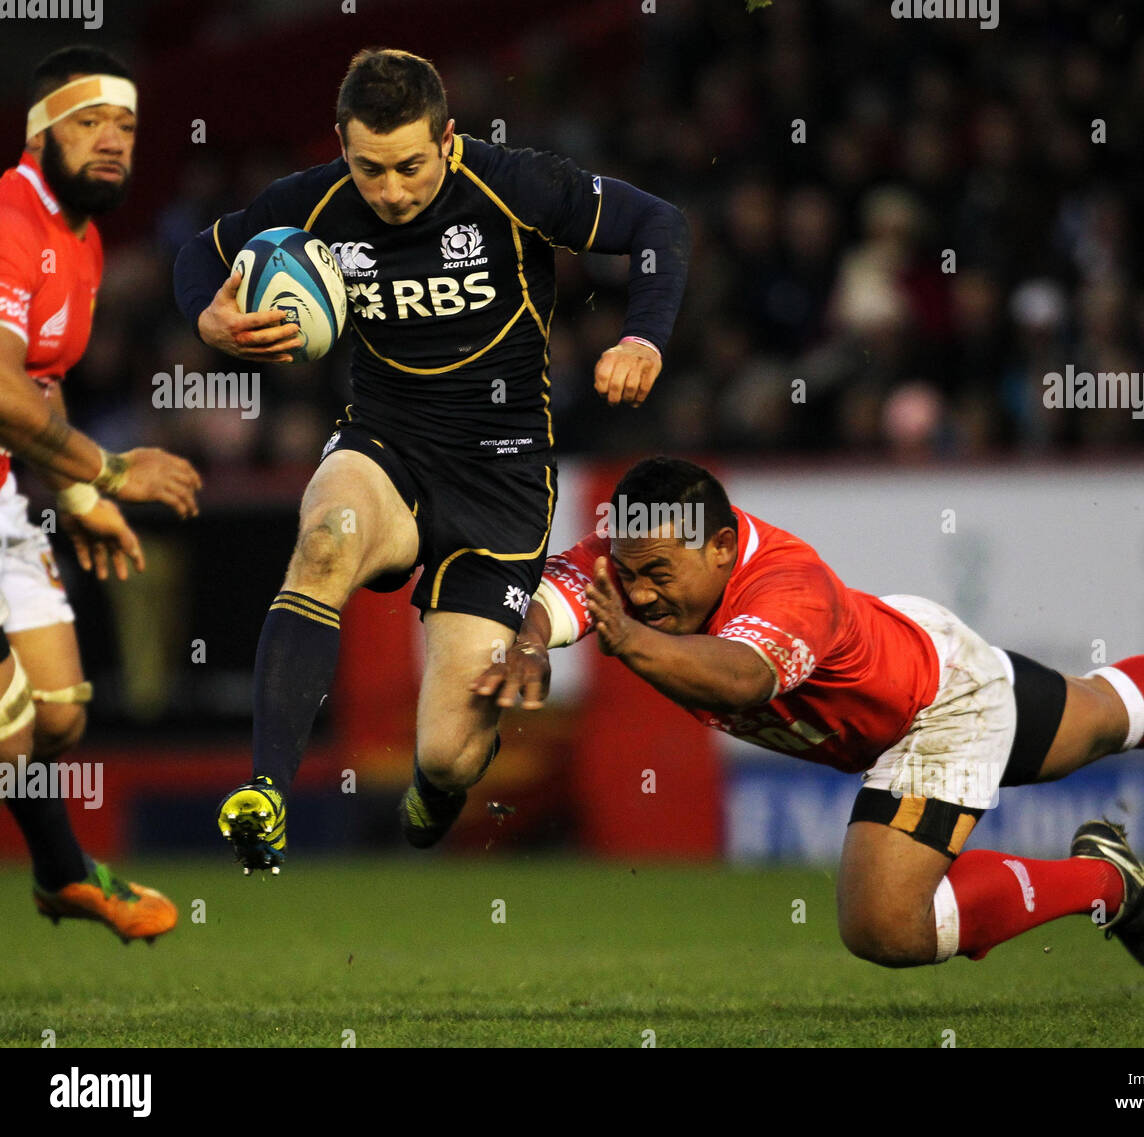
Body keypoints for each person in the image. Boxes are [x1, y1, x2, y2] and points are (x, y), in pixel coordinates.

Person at [172, 48, 689, 873]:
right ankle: (265, 791)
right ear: (343, 149)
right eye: (369, 168)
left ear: (448, 139)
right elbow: (201, 253)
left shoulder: (514, 183)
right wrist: (207, 320)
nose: (392, 190)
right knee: (327, 538)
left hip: (504, 473)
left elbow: (658, 224)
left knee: (450, 750)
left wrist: (643, 336)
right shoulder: (315, 202)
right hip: (387, 441)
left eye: (410, 165)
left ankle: (439, 790)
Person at [474, 456, 1144, 970]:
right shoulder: (639, 554)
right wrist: (535, 639)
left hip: (933, 715)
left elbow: (740, 679)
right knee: (1092, 720)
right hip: (907, 647)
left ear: (722, 547)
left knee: (886, 925)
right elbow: (559, 587)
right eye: (629, 572)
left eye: (659, 574)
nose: (642, 593)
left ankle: (1104, 881)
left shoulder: (786, 589)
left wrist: (626, 640)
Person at [0, 46, 203, 942]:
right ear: (41, 131)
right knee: (8, 727)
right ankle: (68, 871)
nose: (113, 141)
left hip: (5, 486)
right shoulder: (8, 217)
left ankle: (55, 877)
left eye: (125, 126)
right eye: (89, 124)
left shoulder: (77, 240)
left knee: (60, 717)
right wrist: (108, 470)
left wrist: (77, 497)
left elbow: (39, 385)